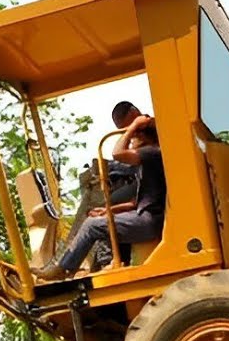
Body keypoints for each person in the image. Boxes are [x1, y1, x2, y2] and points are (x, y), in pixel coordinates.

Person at [34, 114, 165, 281]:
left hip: (149, 221)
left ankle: (64, 269)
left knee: (92, 226)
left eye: (133, 138)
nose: (131, 141)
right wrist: (107, 210)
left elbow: (117, 153)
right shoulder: (150, 161)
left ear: (142, 137)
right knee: (103, 220)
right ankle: (109, 262)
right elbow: (135, 203)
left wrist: (132, 127)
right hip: (147, 218)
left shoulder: (151, 153)